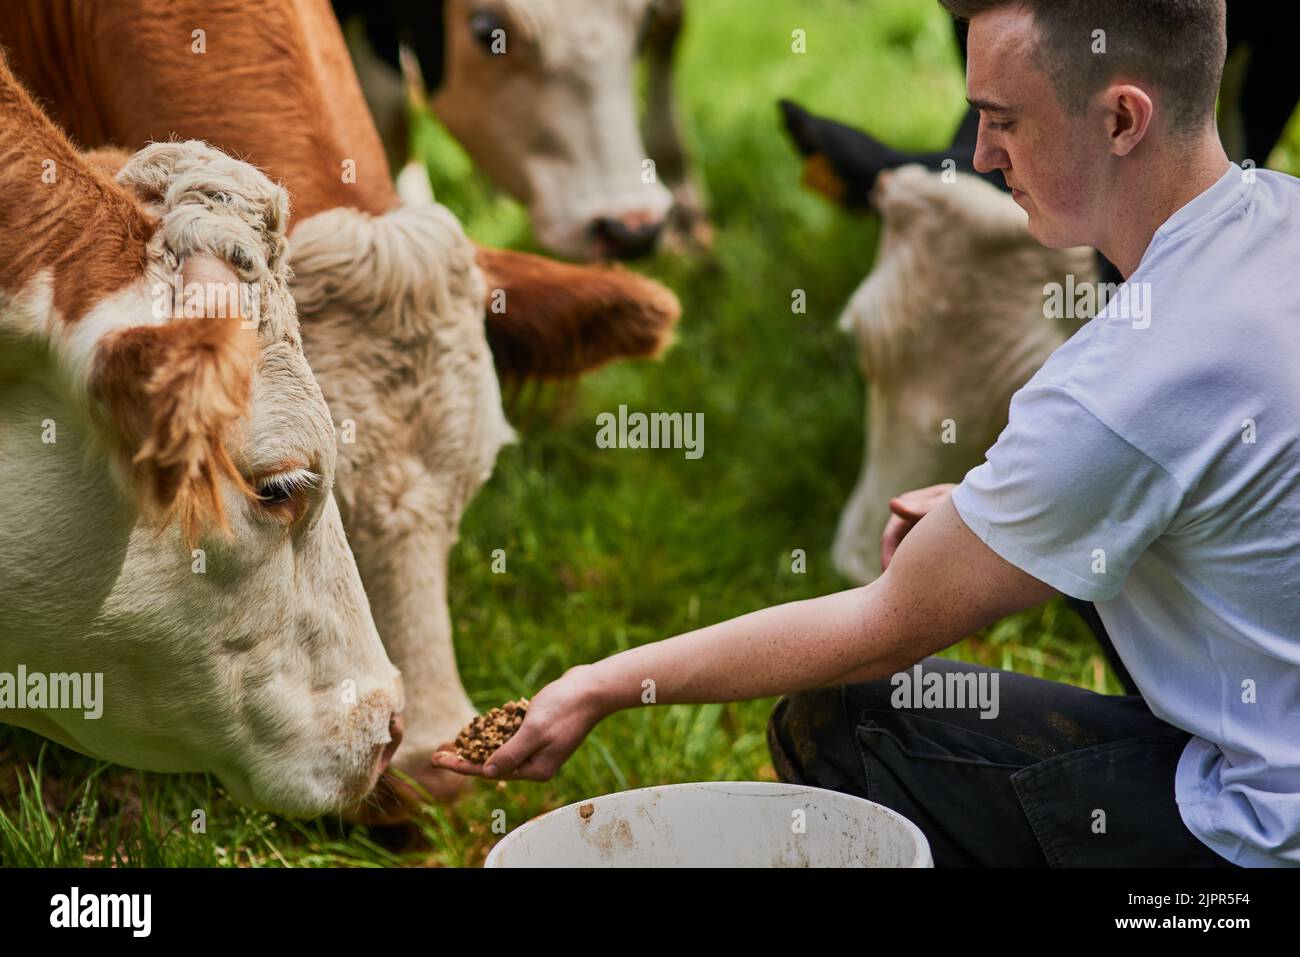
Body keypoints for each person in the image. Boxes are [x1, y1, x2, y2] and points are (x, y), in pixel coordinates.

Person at [433, 0, 1300, 867]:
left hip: (1264, 831)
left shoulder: (1122, 386)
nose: (983, 155)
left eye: (1004, 121)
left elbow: (883, 626)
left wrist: (601, 684)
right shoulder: (1278, 222)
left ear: (1120, 118)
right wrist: (983, 507)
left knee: (850, 721)